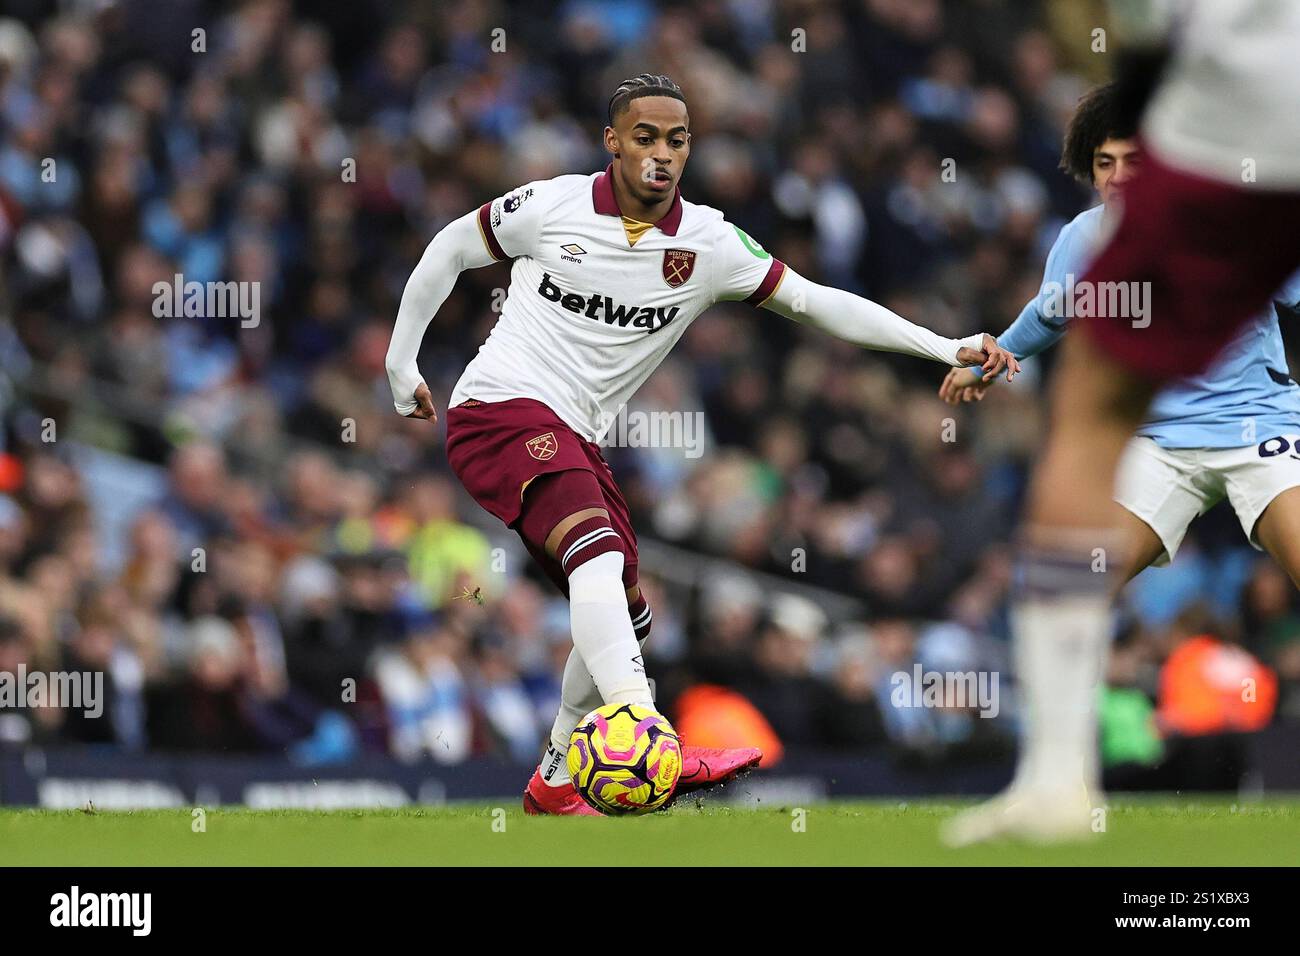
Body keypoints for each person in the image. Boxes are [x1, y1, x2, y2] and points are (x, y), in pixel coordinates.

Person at [385, 73, 1017, 815]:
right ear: (612, 142)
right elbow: (451, 247)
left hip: (576, 435)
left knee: (627, 612)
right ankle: (648, 729)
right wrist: (402, 364)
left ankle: (559, 769)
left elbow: (816, 303)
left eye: (677, 140)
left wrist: (943, 346)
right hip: (500, 409)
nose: (661, 153)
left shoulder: (710, 243)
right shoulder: (552, 205)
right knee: (597, 552)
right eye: (645, 137)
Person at [945, 0, 1300, 844]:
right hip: (1164, 449)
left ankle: (1053, 791)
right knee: (1085, 574)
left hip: (1261, 431)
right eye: (1102, 162)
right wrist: (993, 354)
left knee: (1081, 436)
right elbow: (1048, 313)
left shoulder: (1177, 163)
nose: (1114, 175)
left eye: (1126, 158)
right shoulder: (1079, 239)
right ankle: (1054, 768)